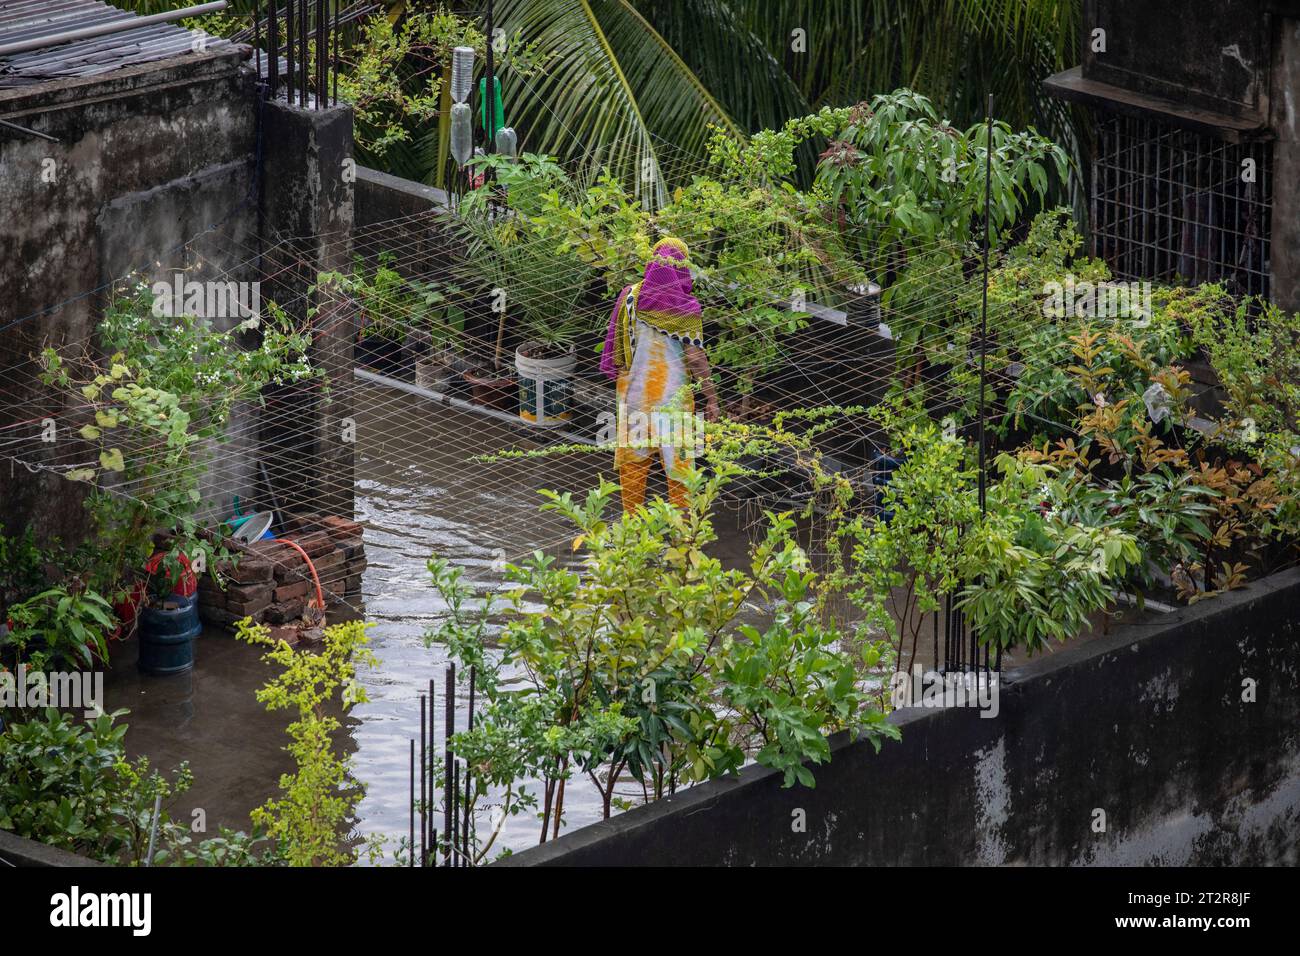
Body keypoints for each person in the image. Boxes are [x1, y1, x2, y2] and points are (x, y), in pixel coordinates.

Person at [601, 238, 720, 514]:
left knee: (633, 466)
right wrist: (711, 397)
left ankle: (631, 535)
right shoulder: (687, 309)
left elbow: (617, 353)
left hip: (634, 397)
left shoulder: (628, 297)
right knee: (680, 470)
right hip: (672, 402)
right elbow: (695, 358)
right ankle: (684, 538)